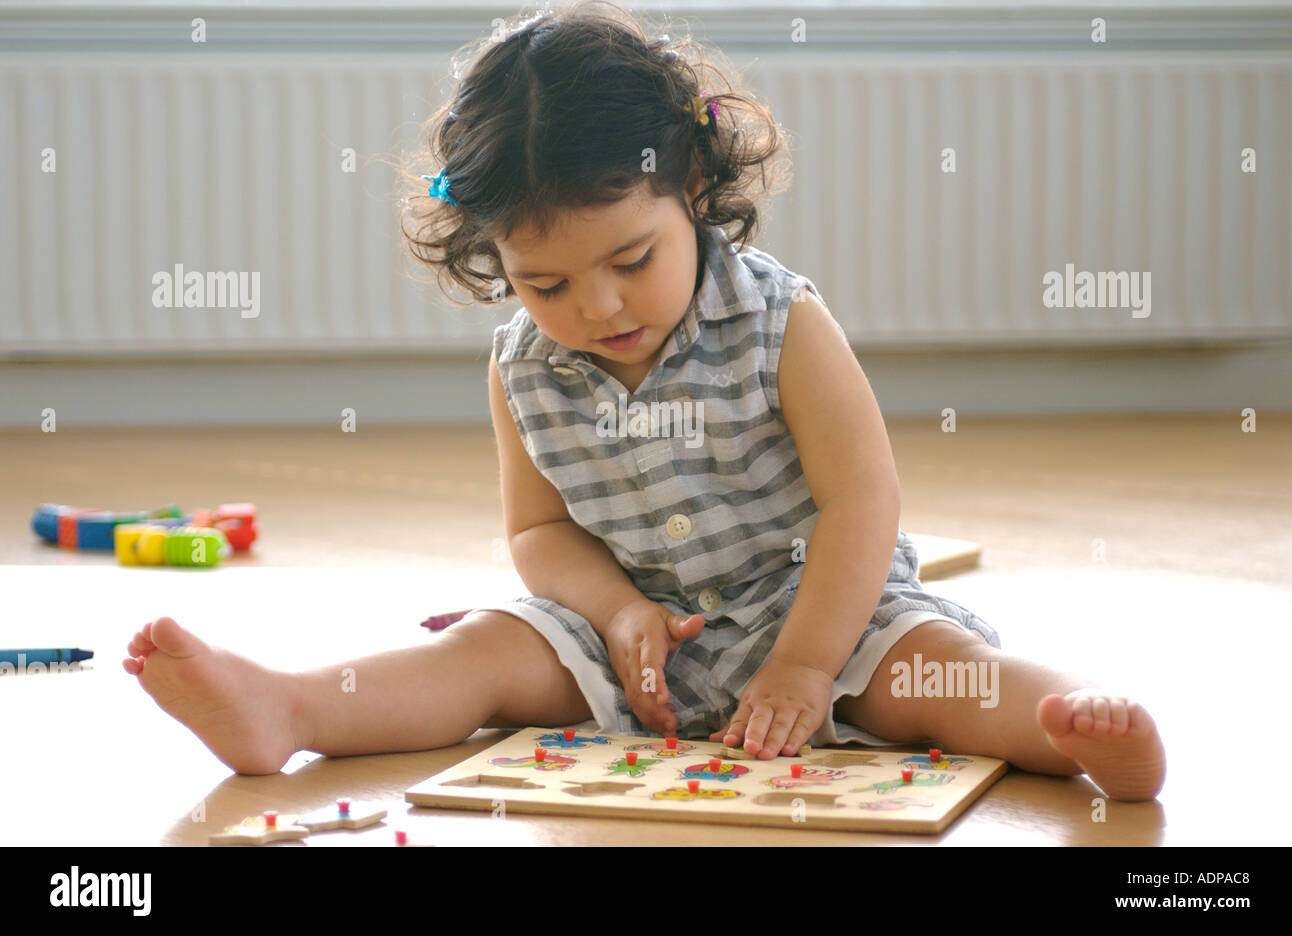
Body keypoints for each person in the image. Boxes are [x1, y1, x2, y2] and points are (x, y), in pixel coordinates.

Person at [125, 1, 1164, 800]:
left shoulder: (781, 320)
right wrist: (618, 612)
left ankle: (1075, 731)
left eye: (632, 258)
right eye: (547, 284)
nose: (599, 305)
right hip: (639, 652)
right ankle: (288, 708)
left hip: (832, 620)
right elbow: (537, 533)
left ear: (695, 193)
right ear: (495, 261)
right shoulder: (521, 367)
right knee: (481, 655)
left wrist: (803, 666)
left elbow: (863, 504)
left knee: (942, 678)